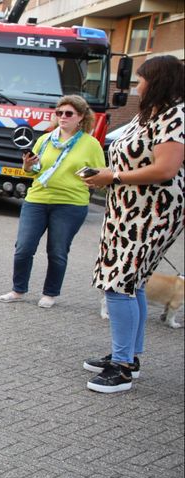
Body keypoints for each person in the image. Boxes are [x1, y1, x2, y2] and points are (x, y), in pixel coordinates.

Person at [81, 55, 184, 394]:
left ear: (159, 80)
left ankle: (122, 369)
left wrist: (115, 176)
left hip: (151, 213)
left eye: (142, 79)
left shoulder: (175, 115)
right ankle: (128, 356)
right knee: (134, 283)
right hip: (128, 209)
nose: (137, 86)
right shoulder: (149, 115)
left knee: (120, 283)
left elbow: (166, 168)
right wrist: (107, 178)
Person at [0, 95, 104, 309]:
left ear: (80, 117)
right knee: (23, 248)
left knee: (57, 250)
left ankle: (50, 293)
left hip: (70, 204)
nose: (63, 117)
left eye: (69, 114)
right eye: (59, 113)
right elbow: (33, 171)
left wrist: (92, 179)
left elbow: (100, 176)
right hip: (37, 199)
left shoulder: (90, 144)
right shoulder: (45, 139)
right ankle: (18, 289)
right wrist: (27, 165)